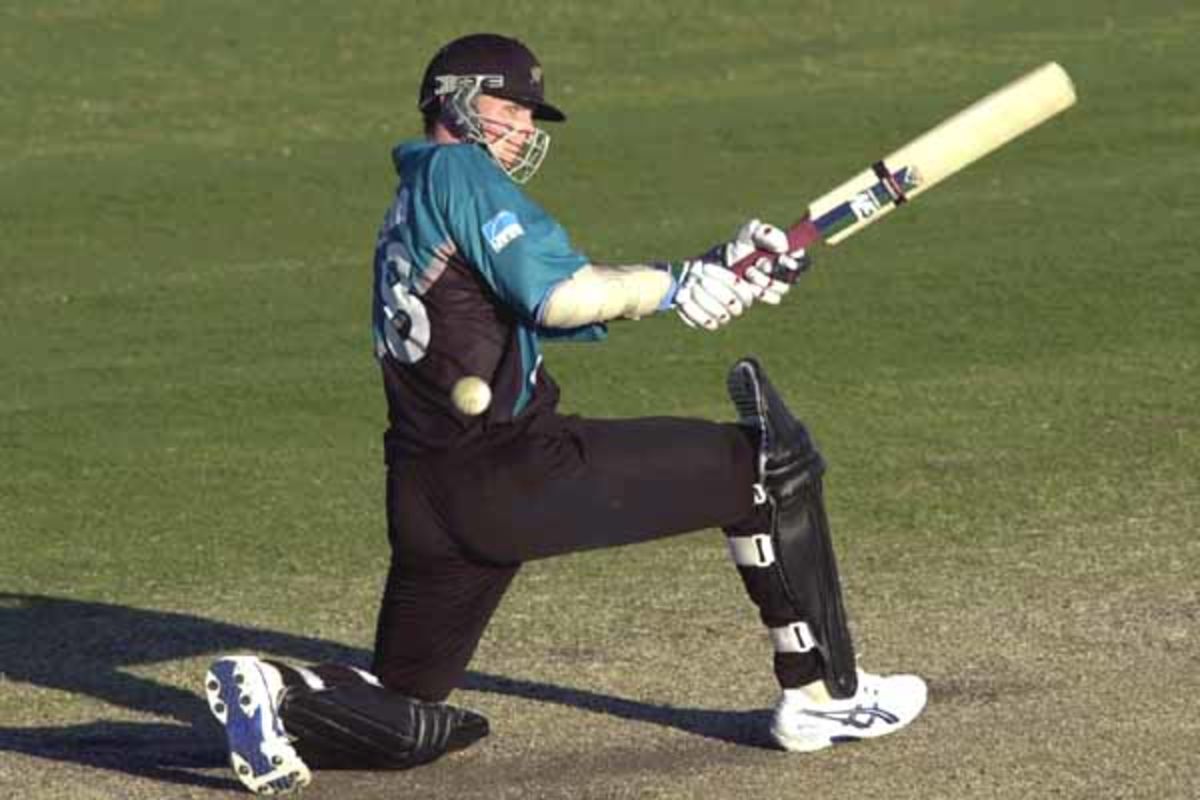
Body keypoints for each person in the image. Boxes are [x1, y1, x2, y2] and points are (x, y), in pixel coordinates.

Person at [204, 33, 927, 796]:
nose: (524, 128)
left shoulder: (414, 197)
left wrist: (714, 268)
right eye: (510, 107)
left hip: (425, 494)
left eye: (530, 114)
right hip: (510, 470)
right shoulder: (459, 171)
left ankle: (278, 692)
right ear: (455, 99)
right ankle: (823, 695)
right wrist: (676, 285)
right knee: (761, 465)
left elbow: (527, 304)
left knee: (405, 712)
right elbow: (558, 295)